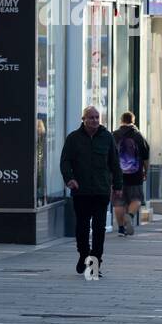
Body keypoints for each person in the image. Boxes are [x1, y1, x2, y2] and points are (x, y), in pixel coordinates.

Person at [59, 107, 123, 277]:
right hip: (81, 191)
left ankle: (94, 264)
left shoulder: (107, 137)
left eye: (97, 117)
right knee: (82, 227)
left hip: (101, 191)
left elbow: (115, 164)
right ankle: (83, 255)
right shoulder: (73, 138)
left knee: (99, 228)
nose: (95, 120)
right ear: (83, 119)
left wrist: (118, 186)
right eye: (91, 117)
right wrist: (69, 179)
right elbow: (65, 162)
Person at [111, 112, 149, 237]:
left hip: (117, 174)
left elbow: (109, 156)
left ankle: (121, 229)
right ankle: (130, 215)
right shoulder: (138, 136)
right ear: (133, 120)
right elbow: (145, 157)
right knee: (136, 199)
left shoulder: (114, 135)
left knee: (118, 202)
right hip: (135, 173)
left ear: (121, 120)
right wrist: (145, 171)